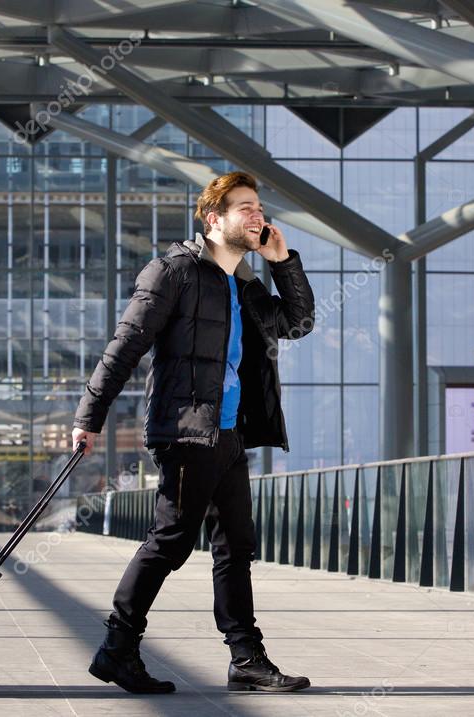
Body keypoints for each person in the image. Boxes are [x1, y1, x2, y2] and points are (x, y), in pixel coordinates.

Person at [71, 171, 316, 694]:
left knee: (236, 545)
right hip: (185, 431)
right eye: (244, 208)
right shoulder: (173, 272)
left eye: (259, 207)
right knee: (171, 540)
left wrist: (283, 264)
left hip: (228, 433)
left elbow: (297, 323)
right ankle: (117, 648)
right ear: (213, 218)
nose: (257, 216)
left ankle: (246, 658)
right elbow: (126, 345)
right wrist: (88, 417)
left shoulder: (245, 285)